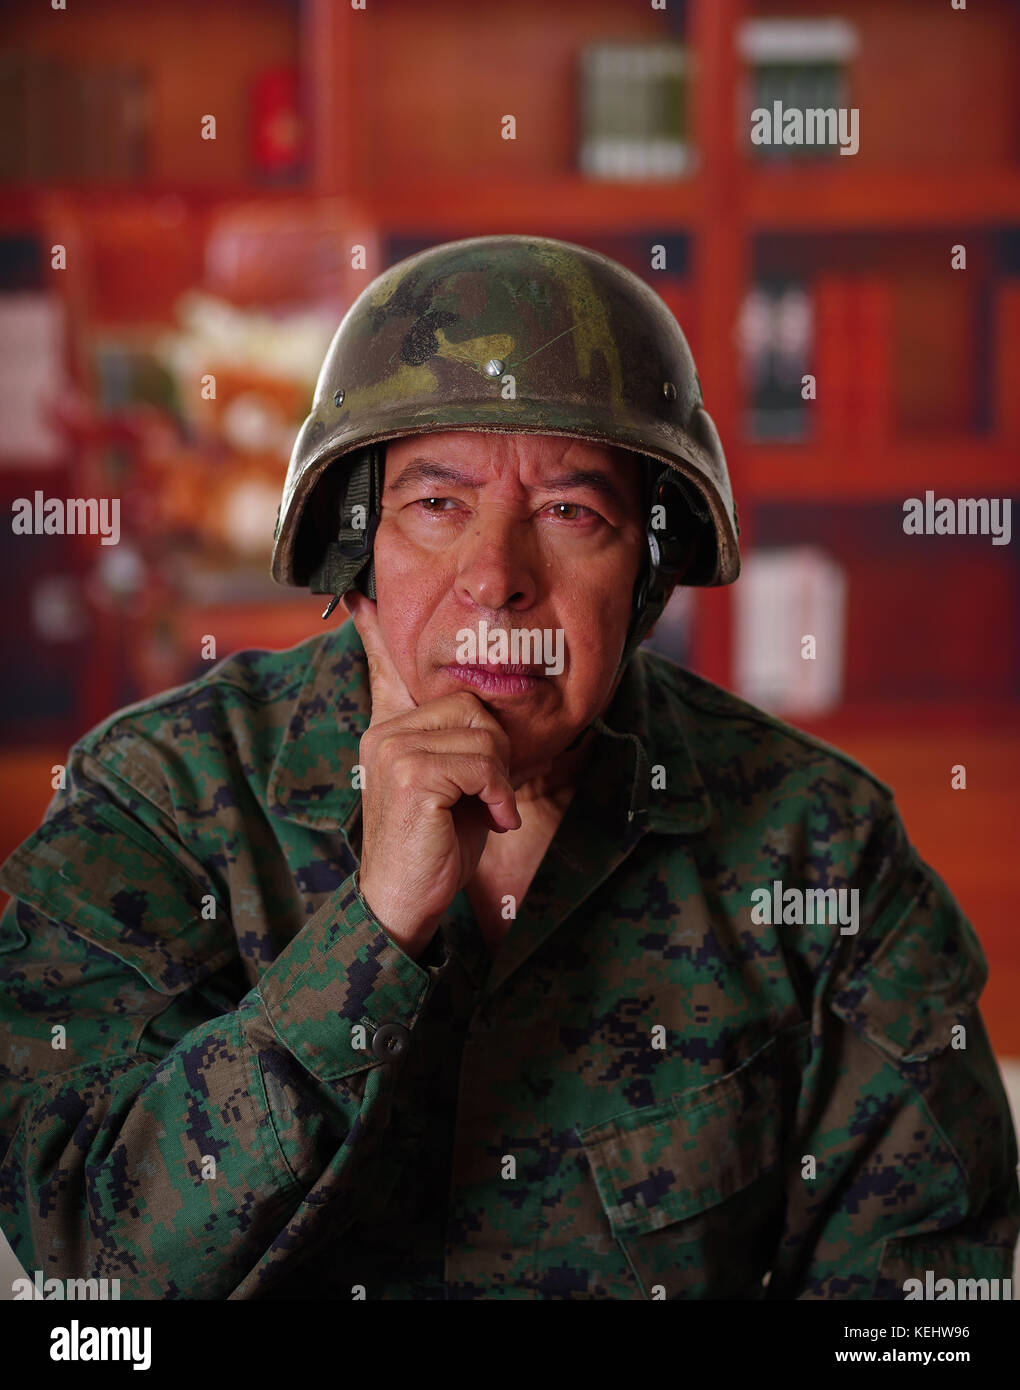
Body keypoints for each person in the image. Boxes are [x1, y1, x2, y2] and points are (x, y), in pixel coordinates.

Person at [0, 235, 1016, 1301]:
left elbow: (927, 1310)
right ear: (354, 553)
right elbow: (87, 1276)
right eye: (437, 504)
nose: (496, 578)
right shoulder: (157, 801)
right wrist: (373, 927)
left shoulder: (821, 853)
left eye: (571, 513)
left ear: (647, 579)